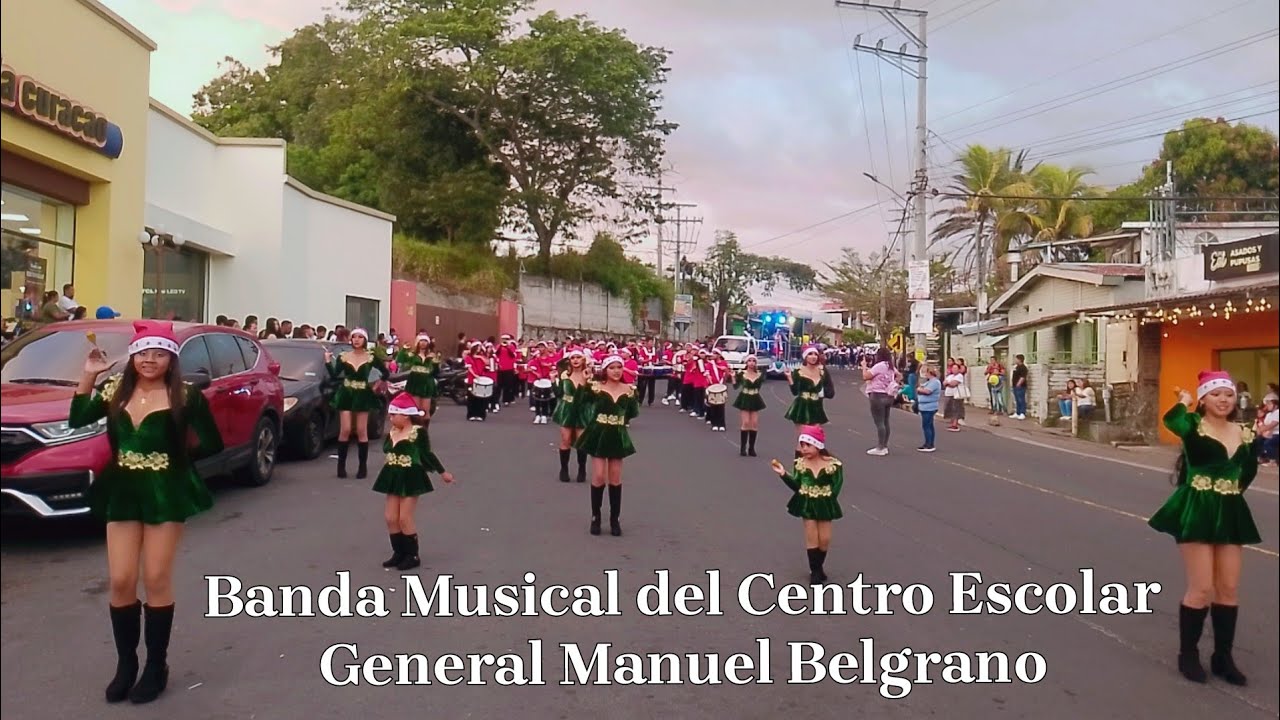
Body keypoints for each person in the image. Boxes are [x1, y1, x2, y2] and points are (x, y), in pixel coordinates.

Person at [72, 321, 223, 704]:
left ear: (171, 358)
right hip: (122, 490)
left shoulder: (186, 395)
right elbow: (78, 418)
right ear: (133, 355)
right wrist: (89, 376)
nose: (149, 360)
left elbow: (212, 442)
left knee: (155, 576)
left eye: (158, 353)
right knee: (121, 579)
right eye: (142, 352)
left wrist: (173, 466)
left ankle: (157, 666)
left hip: (164, 494)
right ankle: (127, 664)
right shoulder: (115, 389)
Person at [1148, 371, 1260, 686]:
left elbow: (1247, 472)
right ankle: (1188, 654)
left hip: (1230, 509)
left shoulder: (1245, 433)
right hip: (1197, 509)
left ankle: (1223, 657)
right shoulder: (1193, 426)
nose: (1223, 400)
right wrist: (1183, 402)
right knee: (1201, 588)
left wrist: (1227, 492)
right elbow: (1172, 421)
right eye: (1215, 394)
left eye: (1228, 394)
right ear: (1203, 399)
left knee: (1229, 587)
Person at [373, 393, 455, 571]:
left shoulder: (418, 433)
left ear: (406, 415)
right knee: (390, 517)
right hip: (392, 475)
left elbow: (427, 454)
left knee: (404, 517)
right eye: (390, 414)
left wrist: (442, 472)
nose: (390, 418)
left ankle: (412, 555)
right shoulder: (393, 431)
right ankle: (398, 552)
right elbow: (387, 450)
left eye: (394, 415)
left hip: (411, 476)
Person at [769, 425, 843, 584]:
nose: (804, 449)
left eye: (808, 445)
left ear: (818, 445)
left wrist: (829, 499)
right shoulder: (800, 464)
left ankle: (819, 566)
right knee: (811, 537)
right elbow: (797, 486)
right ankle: (814, 571)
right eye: (802, 445)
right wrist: (783, 474)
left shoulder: (833, 465)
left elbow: (837, 485)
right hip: (807, 503)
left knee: (825, 539)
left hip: (825, 503)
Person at [575, 356, 640, 536]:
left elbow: (632, 412)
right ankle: (595, 516)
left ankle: (614, 519)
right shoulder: (596, 387)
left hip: (617, 434)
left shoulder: (630, 390)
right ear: (605, 370)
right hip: (598, 433)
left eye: (619, 367)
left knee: (615, 478)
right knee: (598, 476)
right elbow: (580, 402)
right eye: (612, 367)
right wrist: (584, 381)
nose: (616, 371)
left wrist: (619, 420)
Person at [325, 328, 388, 478]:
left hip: (363, 395)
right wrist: (327, 361)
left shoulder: (371, 357)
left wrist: (376, 386)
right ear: (351, 339)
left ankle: (362, 467)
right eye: (354, 337)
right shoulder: (344, 356)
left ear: (365, 340)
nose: (357, 339)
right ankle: (341, 467)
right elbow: (334, 375)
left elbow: (385, 373)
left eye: (360, 337)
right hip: (346, 394)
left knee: (361, 431)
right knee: (345, 429)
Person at [784, 346, 835, 449]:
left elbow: (830, 391)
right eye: (810, 354)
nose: (813, 357)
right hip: (802, 407)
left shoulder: (822, 371)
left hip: (816, 407)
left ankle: (811, 459)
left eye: (815, 354)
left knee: (814, 439)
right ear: (805, 357)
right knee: (804, 439)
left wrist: (824, 393)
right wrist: (789, 377)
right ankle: (799, 459)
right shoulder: (798, 371)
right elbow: (795, 392)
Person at [553, 349, 593, 483]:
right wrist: (553, 381)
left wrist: (587, 381)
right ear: (569, 361)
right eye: (573, 358)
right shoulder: (565, 375)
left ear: (583, 360)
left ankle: (582, 469)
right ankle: (564, 469)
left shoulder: (589, 375)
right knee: (565, 440)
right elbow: (559, 394)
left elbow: (592, 397)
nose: (575, 360)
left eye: (578, 357)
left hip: (582, 410)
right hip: (567, 410)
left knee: (581, 441)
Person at [861, 346, 899, 456]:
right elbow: (899, 376)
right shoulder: (890, 366)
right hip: (888, 395)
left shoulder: (879, 366)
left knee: (879, 422)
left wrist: (864, 367)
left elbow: (866, 376)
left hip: (877, 395)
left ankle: (880, 447)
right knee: (886, 421)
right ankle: (884, 445)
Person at [395, 334, 440, 420]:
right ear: (417, 342)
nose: (423, 343)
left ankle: (424, 427)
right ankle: (415, 427)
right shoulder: (412, 355)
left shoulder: (431, 355)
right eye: (421, 341)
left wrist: (436, 362)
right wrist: (403, 349)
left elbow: (436, 372)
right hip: (415, 383)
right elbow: (400, 360)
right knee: (416, 411)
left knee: (425, 411)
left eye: (425, 341)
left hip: (427, 383)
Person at [733, 355, 767, 456]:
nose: (751, 363)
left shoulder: (759, 374)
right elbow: (735, 386)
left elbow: (759, 386)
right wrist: (733, 377)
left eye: (753, 361)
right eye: (749, 361)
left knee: (754, 423)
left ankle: (751, 448)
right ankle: (743, 448)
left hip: (755, 397)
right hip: (745, 397)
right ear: (746, 362)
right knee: (746, 422)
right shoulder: (741, 373)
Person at [916, 366, 942, 452]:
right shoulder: (929, 382)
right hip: (925, 406)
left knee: (927, 425)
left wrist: (920, 390)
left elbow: (927, 391)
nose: (925, 374)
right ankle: (929, 443)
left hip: (929, 407)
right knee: (929, 425)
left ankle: (929, 445)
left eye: (926, 372)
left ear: (930, 373)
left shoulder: (935, 382)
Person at [1010, 354, 1028, 420]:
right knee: (1017, 400)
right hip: (1015, 385)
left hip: (1021, 386)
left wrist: (1018, 384)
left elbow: (1023, 377)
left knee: (1021, 399)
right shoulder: (1016, 367)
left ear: (1019, 359)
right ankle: (1017, 412)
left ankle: (1022, 413)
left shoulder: (1023, 367)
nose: (1015, 360)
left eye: (1016, 359)